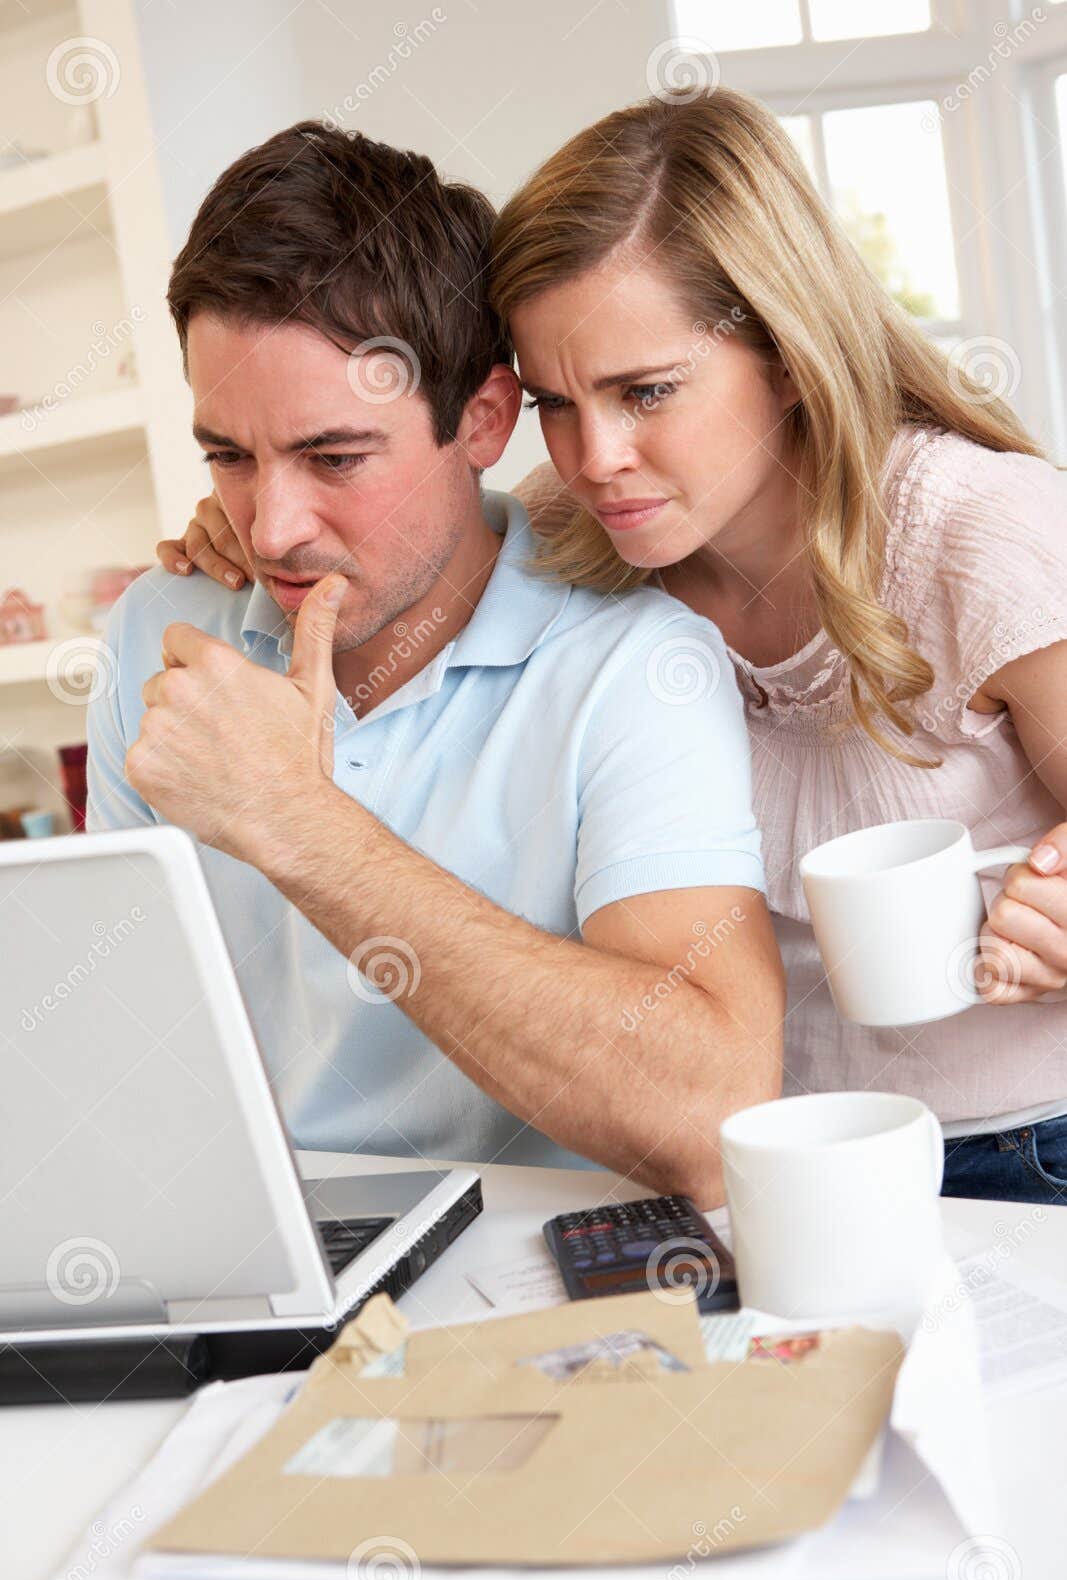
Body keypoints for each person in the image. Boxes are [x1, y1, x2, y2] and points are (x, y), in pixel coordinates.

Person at [165, 89, 1067, 1206]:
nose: (597, 457)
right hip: (778, 1166)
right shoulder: (573, 535)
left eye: (645, 392)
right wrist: (250, 523)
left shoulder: (982, 536)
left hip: (1029, 1141)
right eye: (554, 400)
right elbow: (395, 520)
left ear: (785, 353)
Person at [87, 121, 784, 1207]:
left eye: (333, 458)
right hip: (245, 1240)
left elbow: (713, 1115)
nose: (271, 527)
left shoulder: (635, 668)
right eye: (229, 455)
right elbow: (114, 1047)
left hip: (538, 1275)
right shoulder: (160, 632)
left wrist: (299, 822)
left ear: (483, 420)